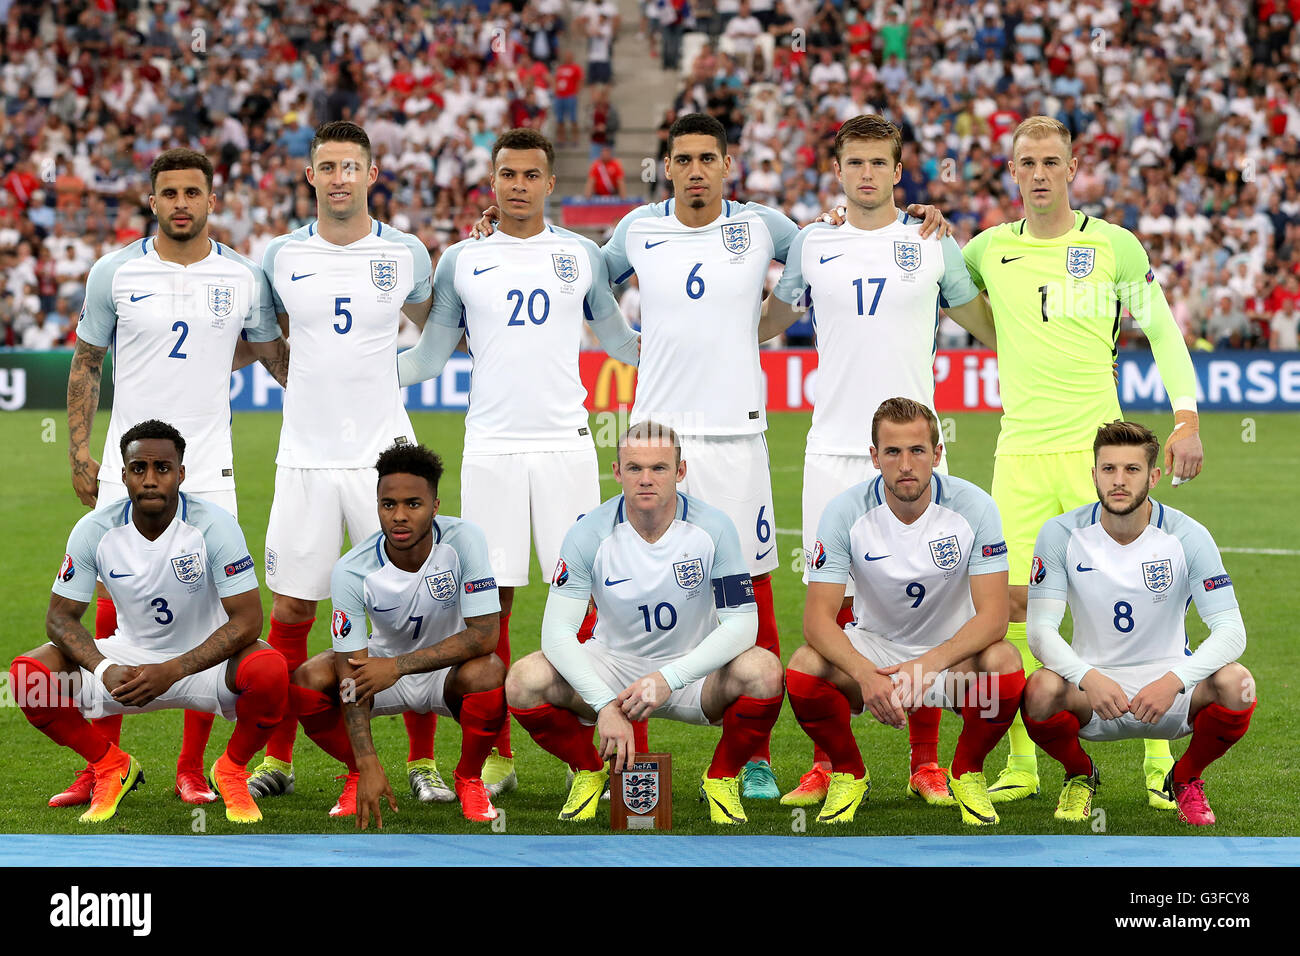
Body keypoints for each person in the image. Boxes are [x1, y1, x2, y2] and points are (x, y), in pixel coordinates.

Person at [475, 113, 950, 798]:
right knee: (614, 590)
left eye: (708, 158)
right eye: (683, 159)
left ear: (729, 164)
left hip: (736, 436)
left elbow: (841, 237)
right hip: (654, 438)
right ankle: (623, 757)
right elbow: (574, 270)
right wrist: (504, 234)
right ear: (666, 166)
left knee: (754, 583)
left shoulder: (764, 228)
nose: (696, 169)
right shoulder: (637, 229)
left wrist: (913, 217)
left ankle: (751, 757)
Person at [962, 116, 1204, 806]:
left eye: (1050, 160)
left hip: (1102, 456)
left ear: (1073, 167)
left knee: (1139, 598)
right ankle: (1027, 761)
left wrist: (1185, 420)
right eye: (1025, 162)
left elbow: (1161, 331)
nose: (1038, 173)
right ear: (1010, 171)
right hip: (1020, 454)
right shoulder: (986, 250)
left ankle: (1159, 763)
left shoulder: (1113, 246)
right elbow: (940, 280)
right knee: (1008, 607)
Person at [396, 128, 641, 797]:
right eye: (508, 175)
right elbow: (426, 359)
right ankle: (495, 752)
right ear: (493, 180)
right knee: (489, 610)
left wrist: (695, 351)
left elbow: (622, 341)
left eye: (531, 175)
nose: (519, 186)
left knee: (589, 601)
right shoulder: (461, 261)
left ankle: (601, 753)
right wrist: (352, 368)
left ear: (549, 183)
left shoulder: (581, 256)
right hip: (492, 450)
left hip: (567, 445)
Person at [761, 114, 997, 808]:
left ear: (899, 173)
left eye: (878, 163)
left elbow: (987, 324)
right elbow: (771, 321)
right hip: (831, 449)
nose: (865, 174)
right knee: (830, 612)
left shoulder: (930, 243)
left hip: (912, 456)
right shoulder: (811, 243)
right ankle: (832, 763)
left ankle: (927, 764)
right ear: (836, 170)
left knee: (922, 604)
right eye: (853, 162)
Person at [57, 148, 287, 810]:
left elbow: (274, 355)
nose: (181, 201)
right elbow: (86, 361)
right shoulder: (115, 271)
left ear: (213, 200)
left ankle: (193, 766)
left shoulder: (242, 276)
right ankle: (106, 761)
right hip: (126, 470)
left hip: (209, 469)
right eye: (169, 192)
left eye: (193, 190)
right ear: (152, 202)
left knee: (209, 610)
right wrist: (79, 451)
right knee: (107, 599)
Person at [250, 121, 440, 804]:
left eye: (349, 167)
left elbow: (440, 322)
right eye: (325, 166)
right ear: (311, 175)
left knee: (409, 606)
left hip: (384, 459)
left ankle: (422, 763)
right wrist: (304, 391)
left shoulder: (406, 251)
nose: (338, 178)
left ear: (371, 172)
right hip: (304, 456)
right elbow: (268, 337)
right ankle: (279, 756)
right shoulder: (278, 254)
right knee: (295, 606)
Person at [504, 422, 784, 824]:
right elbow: (556, 633)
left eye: (659, 468)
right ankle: (590, 769)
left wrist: (670, 676)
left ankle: (721, 778)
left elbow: (742, 625)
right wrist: (603, 705)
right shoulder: (588, 533)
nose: (646, 479)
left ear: (681, 471)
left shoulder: (714, 527)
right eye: (634, 468)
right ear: (617, 472)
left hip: (692, 673)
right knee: (523, 680)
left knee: (765, 672)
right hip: (613, 666)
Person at [12, 420, 287, 824]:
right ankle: (110, 765)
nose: (151, 479)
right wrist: (104, 668)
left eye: (163, 468)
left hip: (203, 665)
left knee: (270, 671)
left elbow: (248, 621)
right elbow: (59, 619)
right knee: (27, 676)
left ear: (181, 474)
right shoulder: (95, 530)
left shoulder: (214, 525)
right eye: (139, 468)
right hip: (129, 660)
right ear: (123, 475)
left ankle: (230, 770)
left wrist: (174, 669)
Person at [788, 399, 1022, 825]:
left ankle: (967, 772)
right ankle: (850, 772)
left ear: (937, 453)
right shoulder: (845, 511)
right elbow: (817, 621)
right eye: (892, 452)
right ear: (874, 457)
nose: (906, 464)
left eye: (917, 450)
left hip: (950, 660)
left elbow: (994, 617)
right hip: (875, 652)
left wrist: (929, 663)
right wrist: (863, 673)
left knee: (1005, 663)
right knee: (804, 668)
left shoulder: (975, 507)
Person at [1023, 422, 1254, 825]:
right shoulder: (1060, 533)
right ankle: (1080, 774)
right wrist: (1087, 677)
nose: (1118, 481)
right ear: (1093, 474)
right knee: (1039, 691)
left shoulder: (1188, 535)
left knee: (1239, 684)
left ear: (1154, 476)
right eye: (1108, 469)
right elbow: (1040, 631)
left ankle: (1185, 778)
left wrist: (1174, 680)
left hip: (1170, 689)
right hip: (1091, 691)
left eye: (1132, 470)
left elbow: (1232, 632)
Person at [289, 443, 505, 826]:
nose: (399, 516)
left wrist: (399, 665)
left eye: (413, 504)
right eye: (388, 505)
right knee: (308, 680)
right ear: (377, 506)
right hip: (380, 670)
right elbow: (348, 674)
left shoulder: (464, 541)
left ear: (435, 506)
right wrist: (367, 759)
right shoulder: (352, 570)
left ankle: (469, 778)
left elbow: (485, 635)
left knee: (489, 671)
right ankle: (357, 774)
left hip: (446, 672)